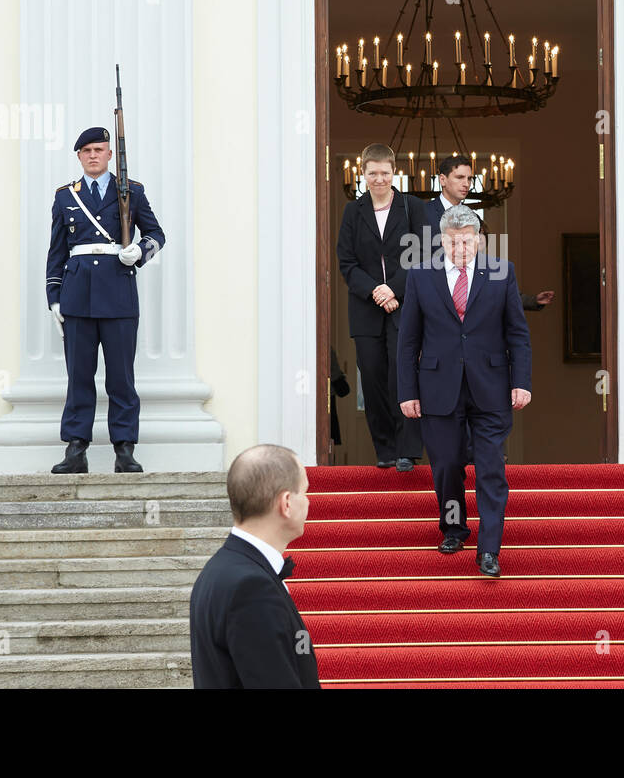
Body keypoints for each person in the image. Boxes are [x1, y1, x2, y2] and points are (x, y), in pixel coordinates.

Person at [398, 204, 532, 577]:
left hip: (491, 388)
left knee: (491, 468)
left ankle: (489, 550)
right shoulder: (421, 275)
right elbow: (408, 340)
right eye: (454, 242)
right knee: (447, 465)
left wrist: (521, 381)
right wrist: (407, 391)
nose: (461, 248)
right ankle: (454, 528)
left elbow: (518, 334)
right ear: (443, 240)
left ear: (479, 240)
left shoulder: (503, 273)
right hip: (438, 387)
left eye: (468, 241)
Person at [46, 127, 165, 474]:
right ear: (79, 157)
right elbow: (56, 251)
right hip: (77, 295)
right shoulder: (65, 196)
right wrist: (54, 296)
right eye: (86, 151)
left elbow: (157, 234)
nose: (93, 155)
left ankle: (124, 449)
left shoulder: (132, 191)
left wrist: (139, 252)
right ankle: (76, 448)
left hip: (118, 293)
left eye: (99, 149)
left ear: (110, 155)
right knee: (79, 375)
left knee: (121, 378)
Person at [189, 444, 320, 689]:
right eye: (304, 492)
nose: (309, 501)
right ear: (287, 503)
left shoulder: (221, 568)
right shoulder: (251, 587)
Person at [336, 143, 426, 471]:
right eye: (372, 173)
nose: (379, 179)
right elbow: (347, 262)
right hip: (366, 308)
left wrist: (394, 289)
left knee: (402, 377)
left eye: (384, 173)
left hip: (404, 305)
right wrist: (376, 290)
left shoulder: (412, 207)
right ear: (363, 174)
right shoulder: (352, 212)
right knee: (372, 379)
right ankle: (385, 450)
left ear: (393, 172)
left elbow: (423, 252)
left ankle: (407, 450)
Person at [425, 154, 554, 311]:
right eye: (459, 177)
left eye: (470, 179)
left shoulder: (474, 219)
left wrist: (532, 301)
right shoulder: (422, 214)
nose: (466, 184)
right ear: (443, 180)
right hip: (432, 308)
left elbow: (483, 269)